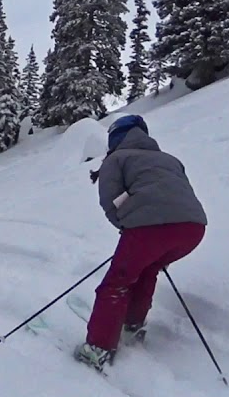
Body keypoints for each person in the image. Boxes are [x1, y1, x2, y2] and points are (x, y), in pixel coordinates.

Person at [74, 114, 208, 370]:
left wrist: (127, 228)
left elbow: (109, 201)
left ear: (115, 137)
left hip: (150, 229)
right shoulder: (170, 160)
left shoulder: (116, 159)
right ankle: (131, 327)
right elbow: (178, 194)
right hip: (193, 229)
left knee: (116, 283)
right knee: (148, 270)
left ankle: (98, 348)